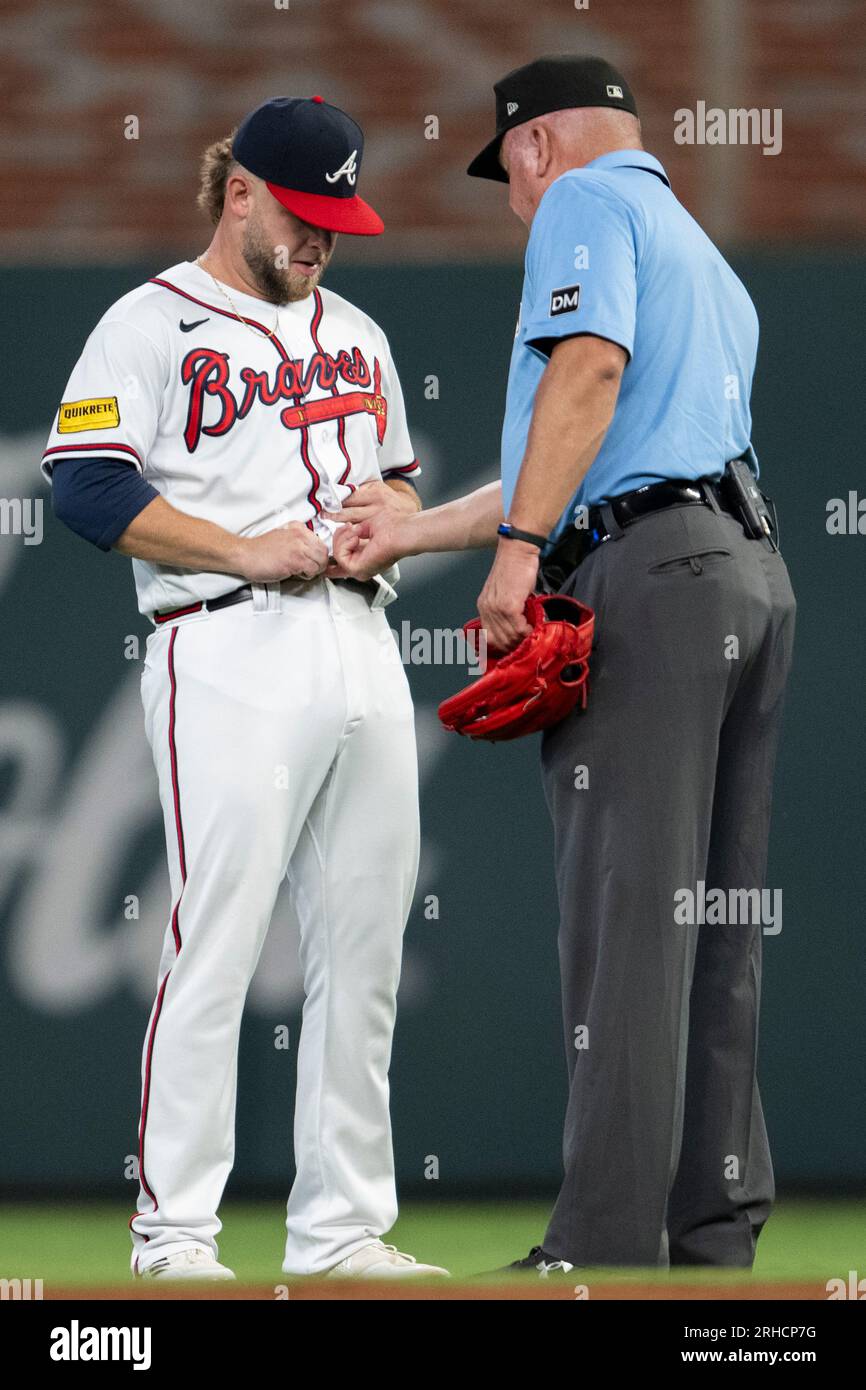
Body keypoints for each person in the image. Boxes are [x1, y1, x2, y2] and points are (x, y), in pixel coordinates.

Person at [333, 55, 796, 1273]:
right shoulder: (699, 248)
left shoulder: (586, 205)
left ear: (536, 146)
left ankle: (595, 1246)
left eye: (505, 173)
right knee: (712, 928)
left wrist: (514, 561)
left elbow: (582, 383)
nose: (510, 199)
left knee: (626, 922)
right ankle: (709, 1238)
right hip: (742, 577)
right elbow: (590, 445)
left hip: (649, 582)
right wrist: (423, 530)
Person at [41, 95, 447, 1282]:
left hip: (360, 641)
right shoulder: (149, 323)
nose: (320, 239)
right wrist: (242, 548)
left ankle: (340, 1233)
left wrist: (402, 521)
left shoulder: (360, 336)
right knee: (214, 939)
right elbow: (88, 488)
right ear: (239, 193)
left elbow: (403, 487)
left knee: (364, 945)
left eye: (338, 219)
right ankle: (174, 1239)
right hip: (224, 639)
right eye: (304, 214)